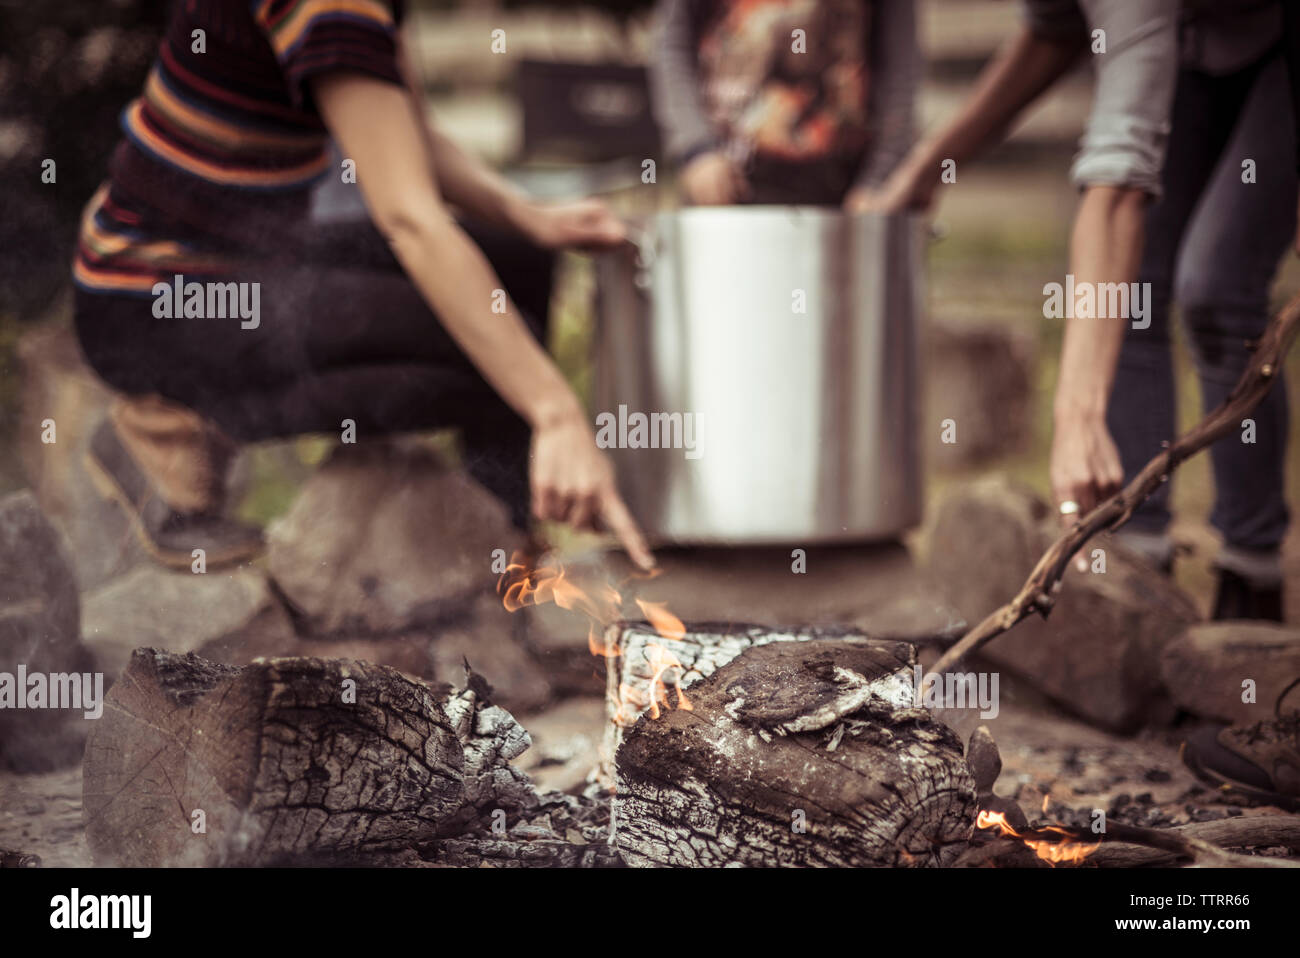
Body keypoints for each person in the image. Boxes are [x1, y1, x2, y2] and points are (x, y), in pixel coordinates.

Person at [72, 0, 654, 573]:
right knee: (498, 352)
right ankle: (172, 427)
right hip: (154, 298)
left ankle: (509, 554)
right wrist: (555, 413)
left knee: (516, 262)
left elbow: (411, 138)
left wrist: (529, 216)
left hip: (249, 261)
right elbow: (411, 221)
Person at [648, 0, 919, 207]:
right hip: (727, 182)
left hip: (844, 188)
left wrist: (881, 177)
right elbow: (673, 43)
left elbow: (899, 67)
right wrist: (696, 148)